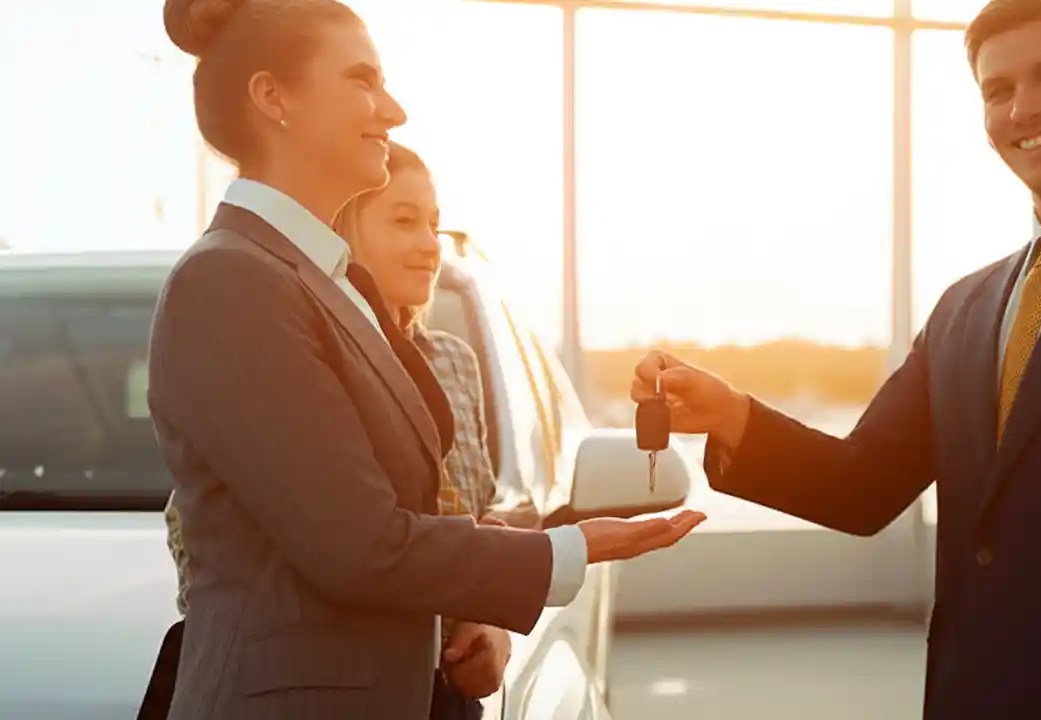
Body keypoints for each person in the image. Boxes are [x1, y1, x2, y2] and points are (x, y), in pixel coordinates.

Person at [633, 1, 1041, 718]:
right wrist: (731, 415)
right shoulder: (965, 308)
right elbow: (863, 486)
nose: (1023, 109)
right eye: (998, 90)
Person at [147, 2, 704, 719]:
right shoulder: (232, 282)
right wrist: (568, 548)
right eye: (363, 80)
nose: (395, 111)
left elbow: (395, 511)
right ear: (273, 97)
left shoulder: (322, 282)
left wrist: (482, 590)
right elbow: (358, 544)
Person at [333, 141, 516, 717]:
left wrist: (487, 625)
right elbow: (195, 535)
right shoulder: (311, 361)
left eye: (434, 225)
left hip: (445, 693)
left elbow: (477, 520)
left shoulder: (454, 362)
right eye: (404, 221)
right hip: (342, 689)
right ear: (343, 233)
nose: (430, 244)